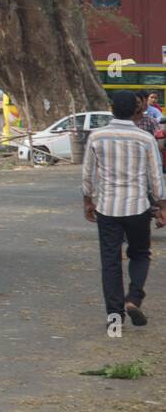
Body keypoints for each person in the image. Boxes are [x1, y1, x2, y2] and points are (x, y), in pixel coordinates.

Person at [82, 90, 166, 327]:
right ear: (135, 111)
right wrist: (162, 205)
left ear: (111, 110)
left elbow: (88, 174)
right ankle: (134, 298)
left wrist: (88, 200)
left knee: (110, 261)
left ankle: (114, 317)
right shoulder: (145, 139)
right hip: (137, 207)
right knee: (140, 254)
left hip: (107, 208)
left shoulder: (96, 137)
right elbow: (155, 178)